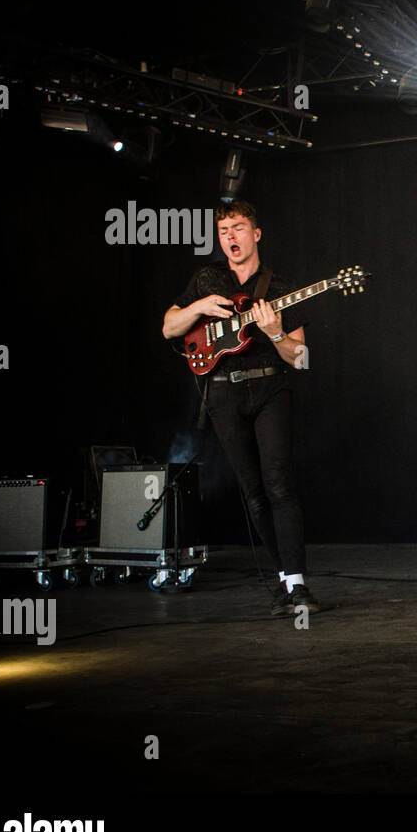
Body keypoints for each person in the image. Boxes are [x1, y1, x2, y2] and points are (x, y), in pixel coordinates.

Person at [161, 200, 321, 617]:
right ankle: (285, 577)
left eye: (238, 228)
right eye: (223, 231)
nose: (230, 237)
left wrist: (275, 332)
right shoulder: (207, 279)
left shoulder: (279, 287)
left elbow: (300, 359)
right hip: (221, 395)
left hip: (269, 388)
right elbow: (169, 327)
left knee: (279, 485)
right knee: (253, 495)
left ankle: (298, 585)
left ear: (256, 233)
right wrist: (197, 307)